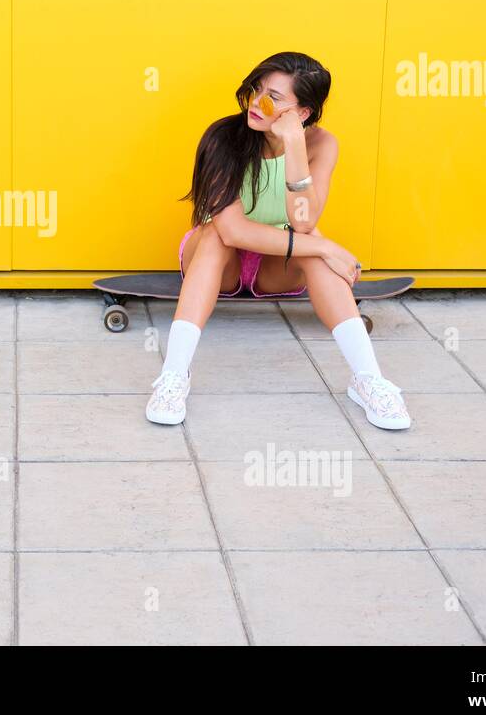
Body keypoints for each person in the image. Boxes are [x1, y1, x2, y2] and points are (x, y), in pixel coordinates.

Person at [145, 51, 411, 431]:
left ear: (301, 113)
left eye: (273, 97)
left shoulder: (322, 144)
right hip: (218, 260)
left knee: (313, 244)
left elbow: (302, 223)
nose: (256, 102)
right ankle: (173, 378)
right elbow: (234, 230)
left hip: (277, 268)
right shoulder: (223, 138)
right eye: (256, 89)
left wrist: (295, 148)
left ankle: (369, 381)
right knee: (222, 238)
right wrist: (324, 245)